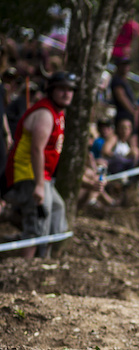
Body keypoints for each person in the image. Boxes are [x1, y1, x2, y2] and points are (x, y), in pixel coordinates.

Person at [3, 71, 76, 259]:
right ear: (51, 90)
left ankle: (45, 260)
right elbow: (36, 149)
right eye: (62, 89)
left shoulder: (58, 114)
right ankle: (26, 269)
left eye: (70, 90)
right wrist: (39, 185)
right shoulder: (44, 113)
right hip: (28, 174)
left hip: (43, 177)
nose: (67, 93)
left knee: (58, 209)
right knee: (36, 225)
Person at [110, 56, 139, 130]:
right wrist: (133, 112)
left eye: (127, 65)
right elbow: (121, 97)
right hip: (123, 116)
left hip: (129, 115)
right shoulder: (117, 80)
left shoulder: (124, 81)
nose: (126, 67)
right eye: (123, 65)